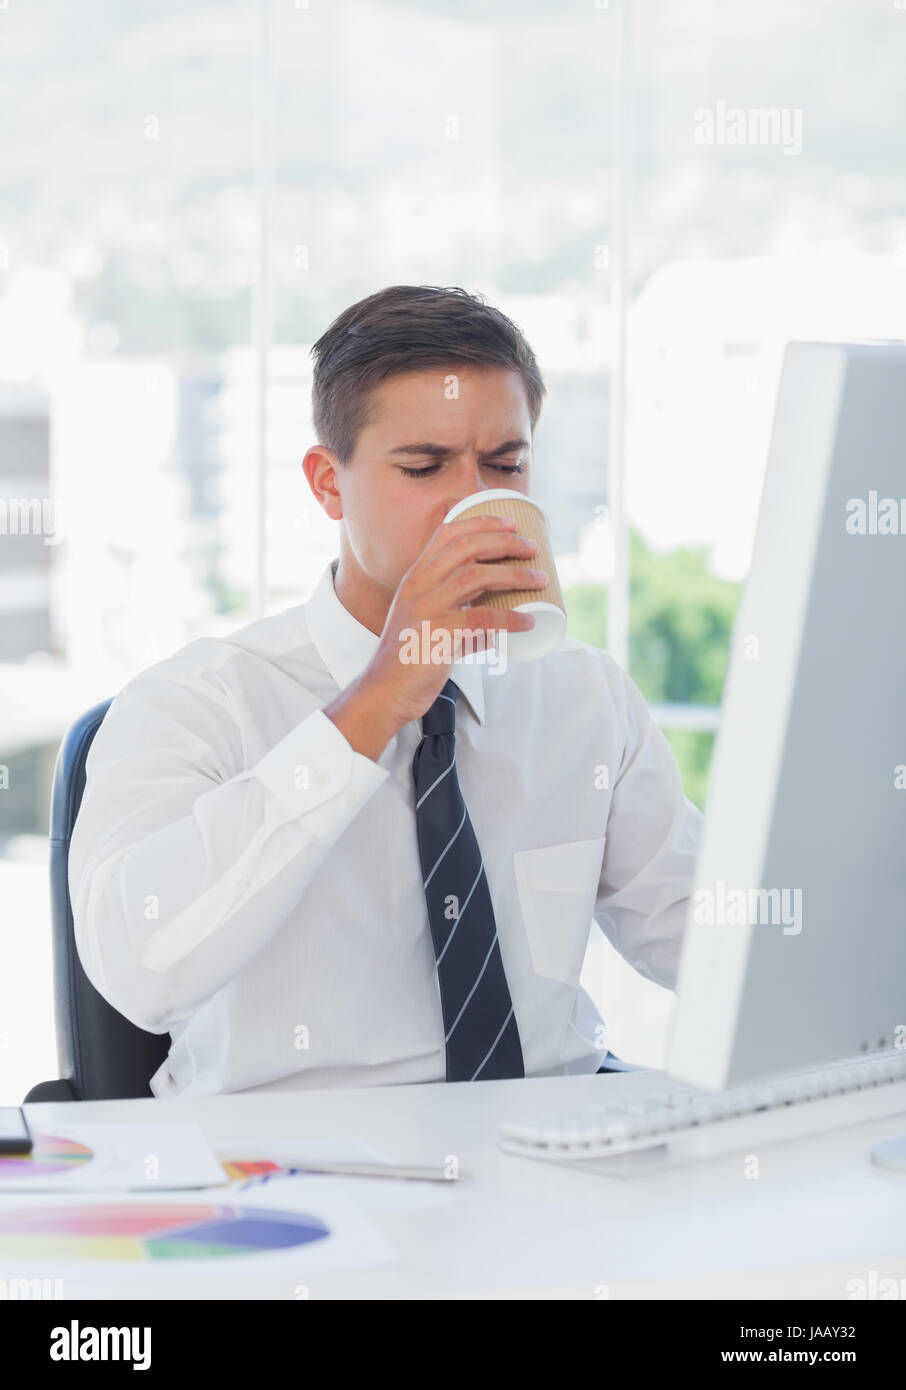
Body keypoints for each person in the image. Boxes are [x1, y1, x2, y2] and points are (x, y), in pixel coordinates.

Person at [69, 284, 703, 1098]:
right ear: (328, 484)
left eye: (505, 464)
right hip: (294, 1172)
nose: (475, 499)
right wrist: (372, 705)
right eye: (424, 466)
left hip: (547, 1156)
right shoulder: (195, 700)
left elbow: (701, 936)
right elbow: (139, 971)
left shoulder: (582, 696)